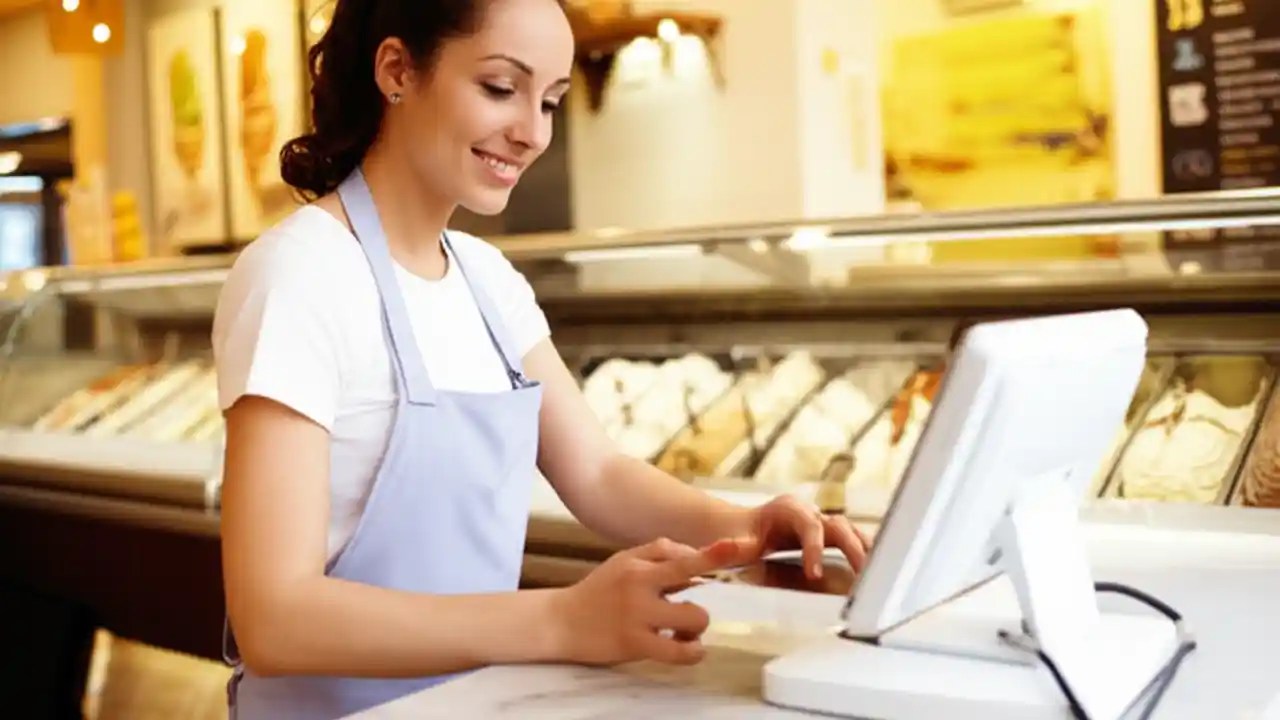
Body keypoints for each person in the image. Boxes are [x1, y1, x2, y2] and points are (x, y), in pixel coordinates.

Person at [212, 0, 870, 717]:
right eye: (500, 88)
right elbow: (274, 618)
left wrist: (745, 532)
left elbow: (597, 475)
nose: (531, 133)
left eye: (551, 101)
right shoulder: (299, 274)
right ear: (397, 70)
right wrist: (561, 620)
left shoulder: (488, 281)